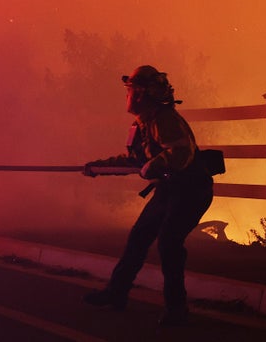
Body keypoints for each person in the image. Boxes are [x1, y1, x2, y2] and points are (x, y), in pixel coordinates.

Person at [82, 65, 214, 327]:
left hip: (191, 190)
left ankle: (177, 308)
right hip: (170, 189)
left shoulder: (164, 119)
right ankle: (117, 293)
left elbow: (180, 152)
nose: (127, 95)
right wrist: (98, 167)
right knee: (139, 237)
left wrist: (153, 166)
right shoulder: (142, 123)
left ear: (141, 94)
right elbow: (133, 161)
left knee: (168, 242)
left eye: (130, 90)